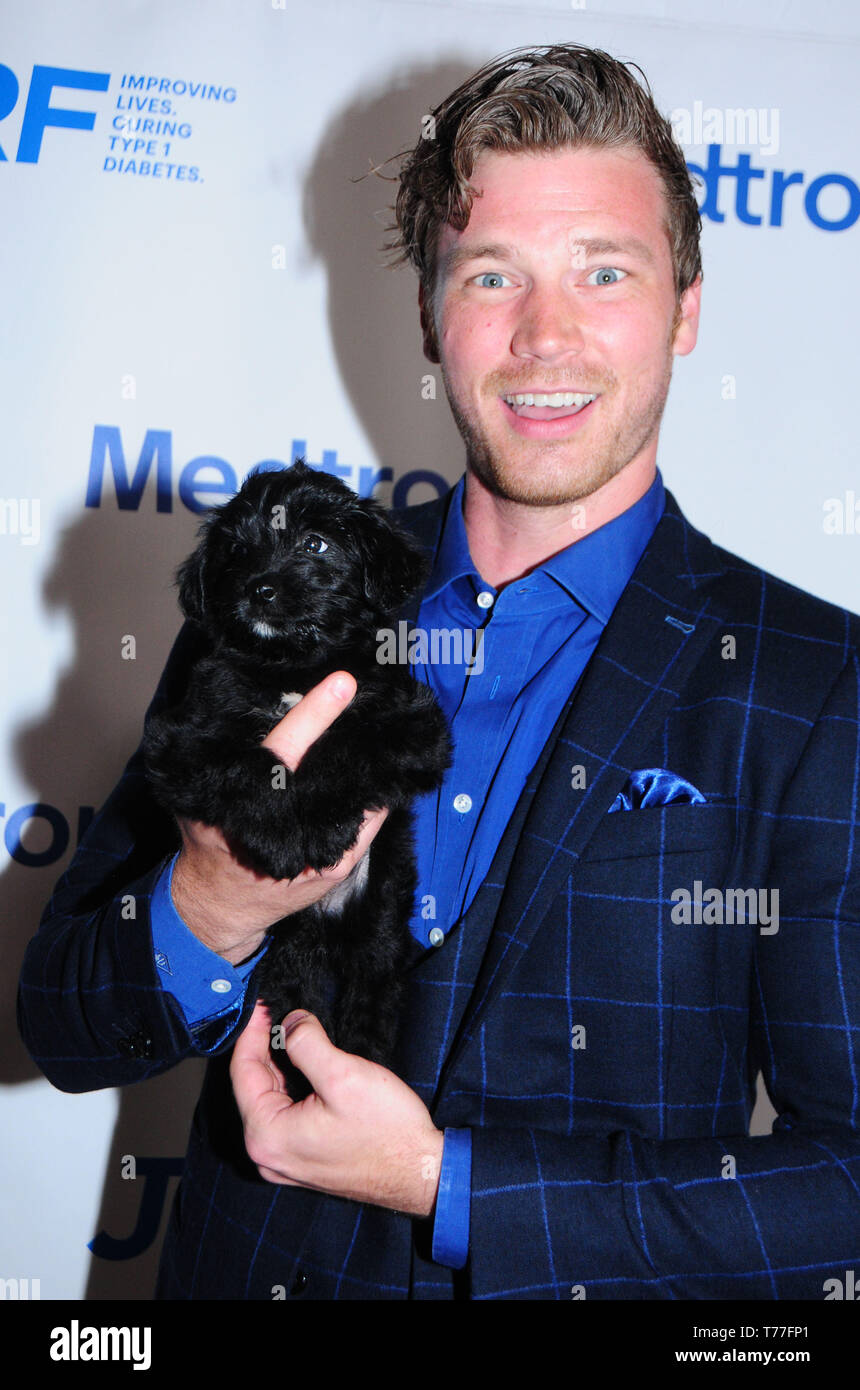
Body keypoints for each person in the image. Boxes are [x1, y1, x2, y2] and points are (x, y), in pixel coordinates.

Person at [18, 43, 860, 1301]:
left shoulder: (816, 684)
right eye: (490, 274)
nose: (545, 333)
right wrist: (206, 907)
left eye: (604, 271)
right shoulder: (281, 598)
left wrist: (446, 1181)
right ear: (429, 312)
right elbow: (63, 1025)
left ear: (686, 307)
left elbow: (842, 1182)